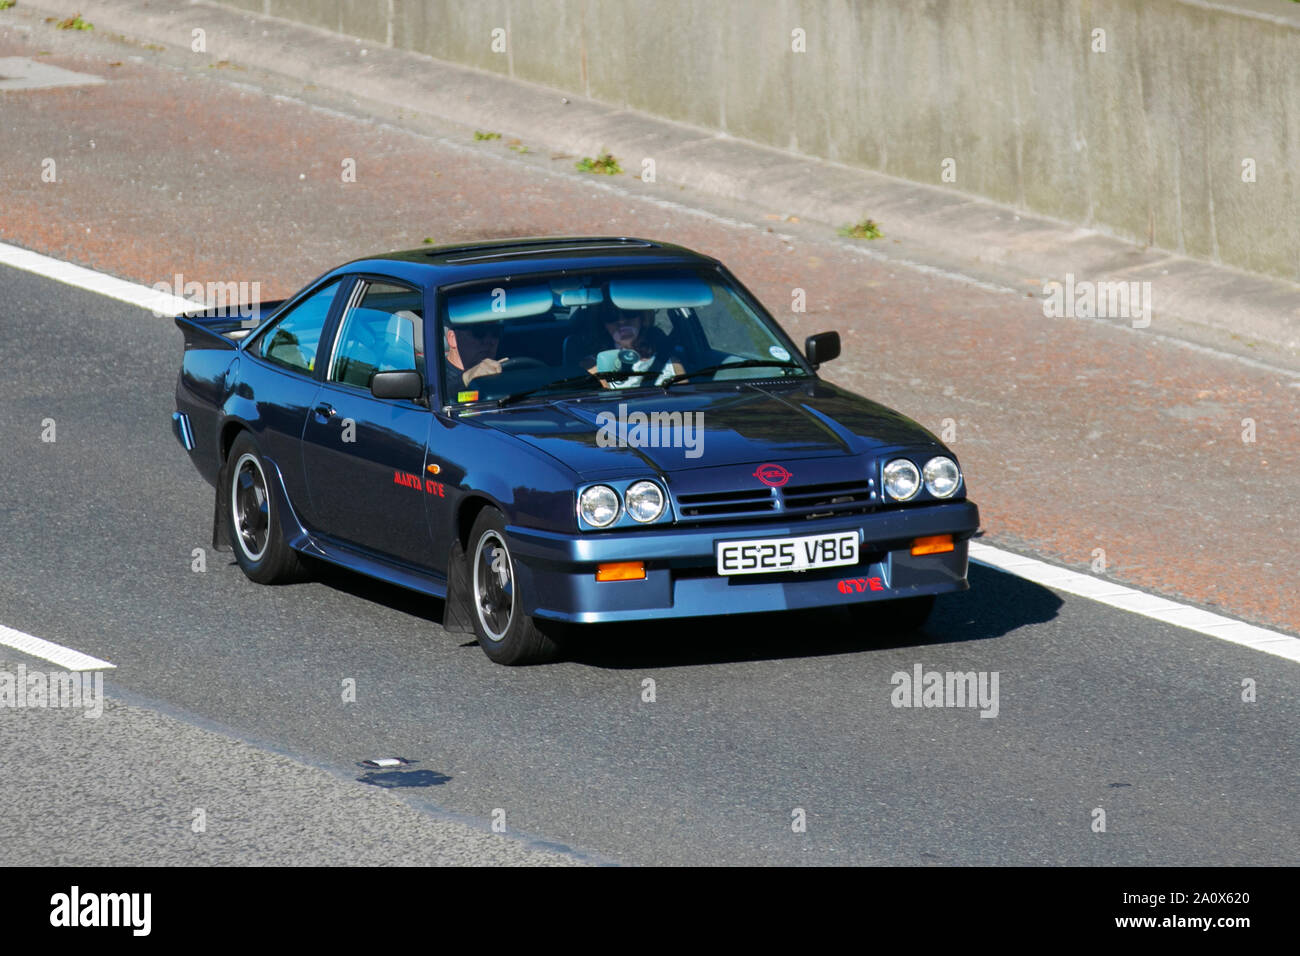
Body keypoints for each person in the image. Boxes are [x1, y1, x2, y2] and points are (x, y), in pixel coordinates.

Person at [585, 308, 684, 388]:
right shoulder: (593, 365)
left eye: (629, 312)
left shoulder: (671, 363)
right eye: (611, 315)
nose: (622, 321)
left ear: (643, 318)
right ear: (603, 325)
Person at [443, 321, 507, 398]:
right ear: (452, 338)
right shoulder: (433, 376)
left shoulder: (502, 373)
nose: (488, 341)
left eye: (495, 333)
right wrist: (466, 379)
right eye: (478, 332)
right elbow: (431, 400)